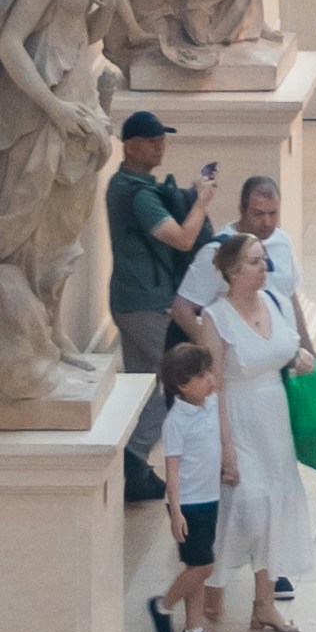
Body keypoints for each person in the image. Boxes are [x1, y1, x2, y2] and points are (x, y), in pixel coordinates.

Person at [184, 167, 312, 632]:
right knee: (249, 506)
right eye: (257, 262)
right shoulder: (214, 320)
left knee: (275, 507)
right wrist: (226, 449)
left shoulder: (274, 305)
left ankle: (263, 604)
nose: (266, 267)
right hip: (236, 420)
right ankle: (214, 581)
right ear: (234, 270)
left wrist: (303, 359)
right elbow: (210, 387)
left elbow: (288, 348)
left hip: (273, 420)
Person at [107, 110, 206, 504]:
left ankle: (130, 467)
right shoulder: (137, 194)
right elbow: (182, 239)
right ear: (130, 146)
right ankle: (132, 460)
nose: (160, 145)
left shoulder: (123, 186)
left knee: (141, 383)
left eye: (162, 138)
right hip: (146, 303)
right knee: (171, 381)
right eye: (151, 140)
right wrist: (203, 201)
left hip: (129, 299)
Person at [143, 317, 231, 632]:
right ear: (182, 385)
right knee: (204, 565)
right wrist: (176, 511)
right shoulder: (176, 422)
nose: (211, 380)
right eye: (202, 376)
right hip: (189, 504)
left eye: (209, 373)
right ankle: (163, 606)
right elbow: (173, 468)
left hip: (209, 497)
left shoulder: (207, 405)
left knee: (196, 565)